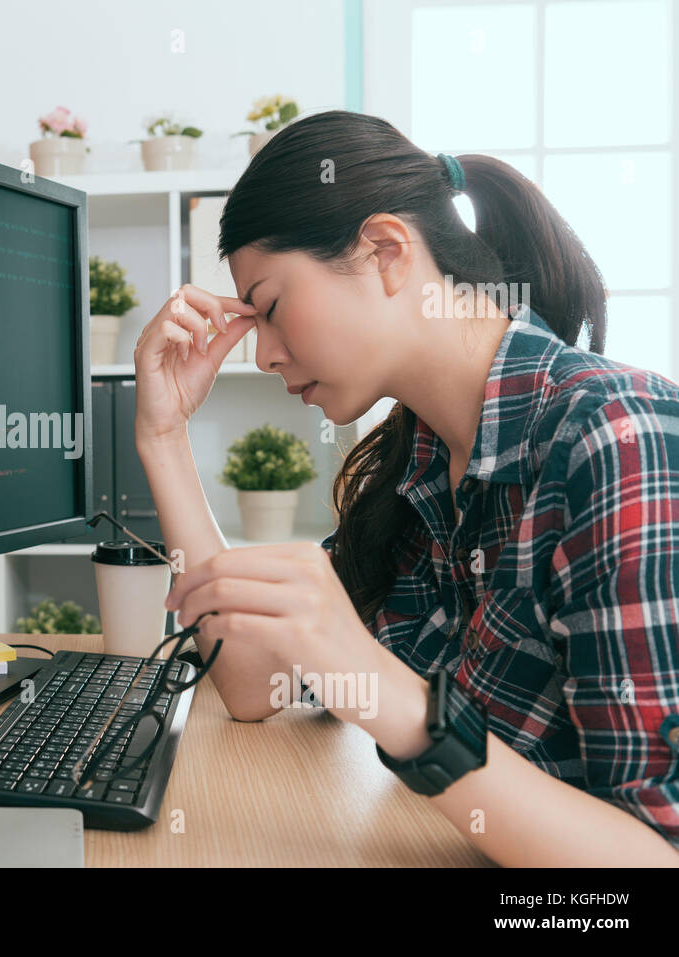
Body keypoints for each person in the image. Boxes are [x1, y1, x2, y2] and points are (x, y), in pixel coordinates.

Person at [137, 109, 679, 866]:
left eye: (270, 307)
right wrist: (161, 438)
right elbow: (254, 684)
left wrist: (382, 689)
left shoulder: (614, 436)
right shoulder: (418, 463)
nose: (261, 353)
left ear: (388, 251)